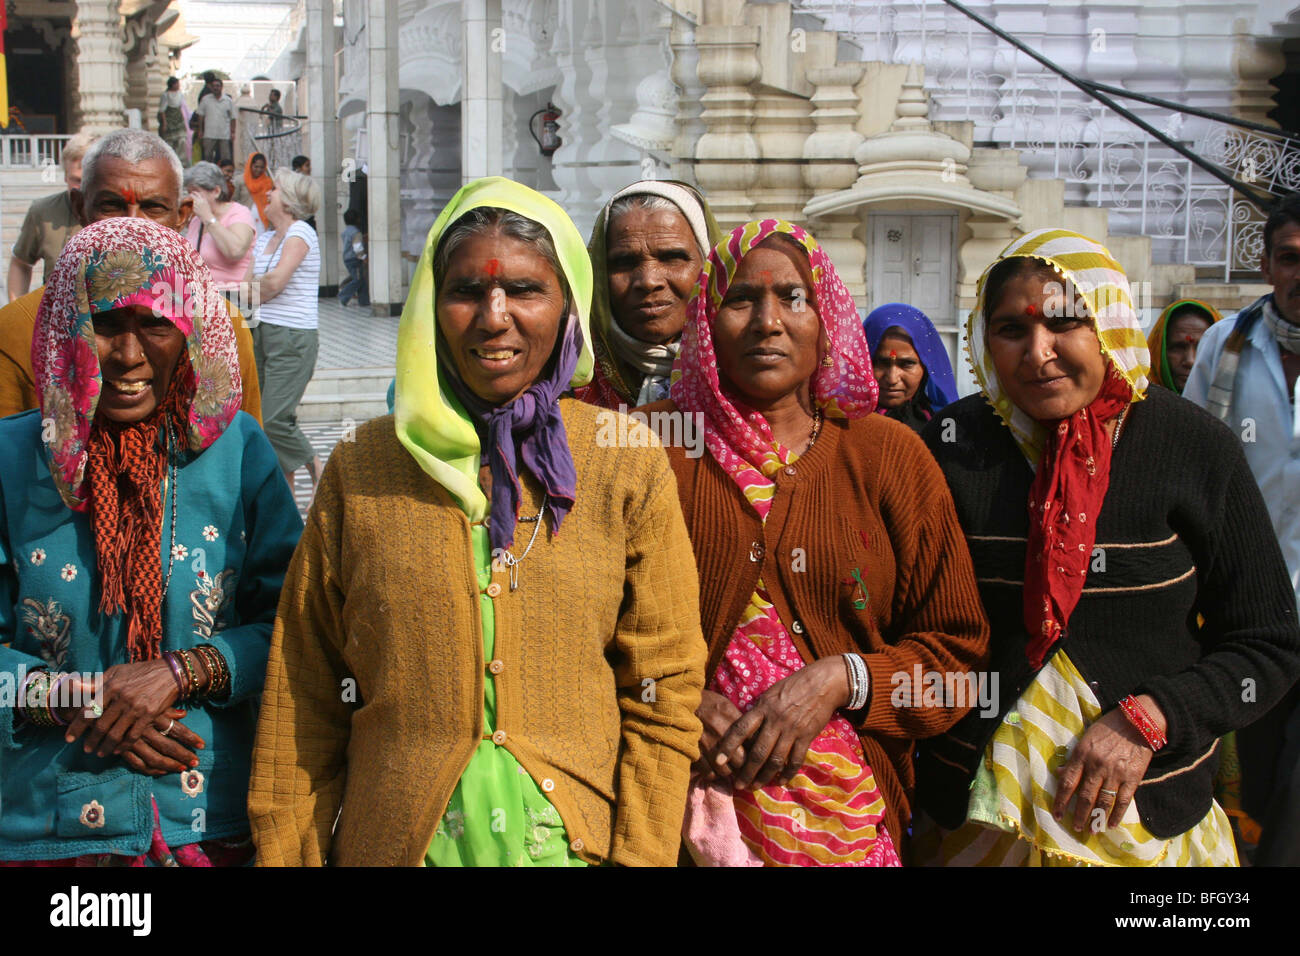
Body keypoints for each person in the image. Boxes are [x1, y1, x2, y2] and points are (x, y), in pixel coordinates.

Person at [246, 176, 707, 866]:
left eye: (524, 289)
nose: (495, 318)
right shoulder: (363, 466)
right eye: (466, 291)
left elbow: (663, 688)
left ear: (568, 304)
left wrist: (640, 856)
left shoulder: (623, 462)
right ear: (431, 306)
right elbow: (304, 695)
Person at [913, 228, 1300, 867]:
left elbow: (1269, 643)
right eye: (1011, 329)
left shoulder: (1192, 447)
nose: (1039, 353)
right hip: (972, 832)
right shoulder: (954, 445)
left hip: (1149, 826)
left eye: (1065, 322)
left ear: (1110, 322)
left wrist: (1155, 716)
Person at [640, 220, 989, 866]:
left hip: (852, 827)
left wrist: (844, 678)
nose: (767, 322)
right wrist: (670, 699)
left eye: (793, 298)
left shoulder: (888, 456)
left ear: (826, 318)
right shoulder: (647, 447)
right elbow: (578, 633)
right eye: (740, 300)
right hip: (671, 828)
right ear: (707, 323)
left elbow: (957, 663)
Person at [0, 217, 302, 865]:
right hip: (45, 823)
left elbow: (297, 624)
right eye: (105, 324)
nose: (129, 355)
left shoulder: (238, 451)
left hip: (210, 815)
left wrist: (180, 672)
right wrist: (81, 701)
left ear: (191, 330)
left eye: (156, 325)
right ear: (66, 326)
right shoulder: (9, 459)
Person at [1184, 193, 1300, 866]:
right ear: (1267, 264)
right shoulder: (1225, 349)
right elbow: (1193, 466)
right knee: (1258, 778)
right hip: (1252, 615)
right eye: (1290, 258)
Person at [0, 128, 262, 423]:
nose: (132, 227)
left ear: (182, 215)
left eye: (153, 208)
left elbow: (241, 443)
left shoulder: (221, 328)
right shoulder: (18, 329)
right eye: (111, 206)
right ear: (80, 208)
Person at [574, 181, 720, 409]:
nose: (649, 281)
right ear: (600, 275)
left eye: (672, 258)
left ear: (708, 265)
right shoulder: (566, 375)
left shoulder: (749, 369)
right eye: (624, 262)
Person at [244, 167, 322, 491]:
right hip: (260, 332)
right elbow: (250, 284)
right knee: (262, 421)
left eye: (274, 189)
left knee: (274, 418)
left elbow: (274, 283)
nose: (267, 193)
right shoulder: (265, 238)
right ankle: (285, 496)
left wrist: (253, 288)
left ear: (288, 201)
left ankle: (316, 466)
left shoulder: (300, 232)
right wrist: (254, 288)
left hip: (291, 337)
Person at [7, 132, 99, 302]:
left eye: (89, 179)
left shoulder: (122, 213)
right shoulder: (43, 212)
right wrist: (17, 309)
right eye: (76, 180)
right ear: (65, 176)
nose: (82, 188)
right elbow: (20, 263)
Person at [862, 303, 959, 433]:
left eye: (907, 364)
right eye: (881, 363)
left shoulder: (943, 428)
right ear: (862, 363)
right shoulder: (842, 424)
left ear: (926, 367)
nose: (892, 379)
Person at [184, 161, 256, 295]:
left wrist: (208, 218)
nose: (191, 198)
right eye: (189, 193)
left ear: (216, 191)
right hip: (202, 296)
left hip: (234, 296)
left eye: (196, 193)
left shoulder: (239, 213)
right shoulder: (196, 220)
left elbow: (235, 251)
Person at [1147, 299, 1221, 394]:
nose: (1190, 361)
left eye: (1202, 348)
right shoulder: (1136, 399)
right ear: (1158, 352)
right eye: (1178, 348)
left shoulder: (1231, 400)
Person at [194, 78, 236, 166]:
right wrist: (200, 130)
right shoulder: (205, 100)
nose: (215, 88)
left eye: (217, 86)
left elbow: (233, 117)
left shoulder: (228, 101)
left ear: (221, 87)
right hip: (209, 134)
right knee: (207, 156)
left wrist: (232, 132)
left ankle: (225, 173)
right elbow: (201, 116)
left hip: (224, 134)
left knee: (225, 158)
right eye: (213, 86)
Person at [156, 76, 190, 168]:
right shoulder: (165, 95)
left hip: (178, 120)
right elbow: (162, 110)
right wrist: (164, 123)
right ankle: (169, 162)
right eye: (177, 84)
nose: (178, 85)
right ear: (172, 84)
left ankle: (182, 162)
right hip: (169, 120)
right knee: (169, 142)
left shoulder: (180, 94)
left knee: (182, 140)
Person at [339, 208, 368, 307]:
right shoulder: (356, 232)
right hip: (354, 259)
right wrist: (363, 257)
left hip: (347, 258)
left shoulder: (345, 232)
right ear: (357, 219)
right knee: (358, 279)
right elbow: (357, 247)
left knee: (361, 280)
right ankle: (343, 295)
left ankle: (364, 300)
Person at [242, 153, 274, 229]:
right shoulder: (241, 181)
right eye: (256, 166)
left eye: (262, 167)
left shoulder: (268, 182)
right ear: (250, 165)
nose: (259, 170)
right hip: (244, 220)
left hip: (263, 223)